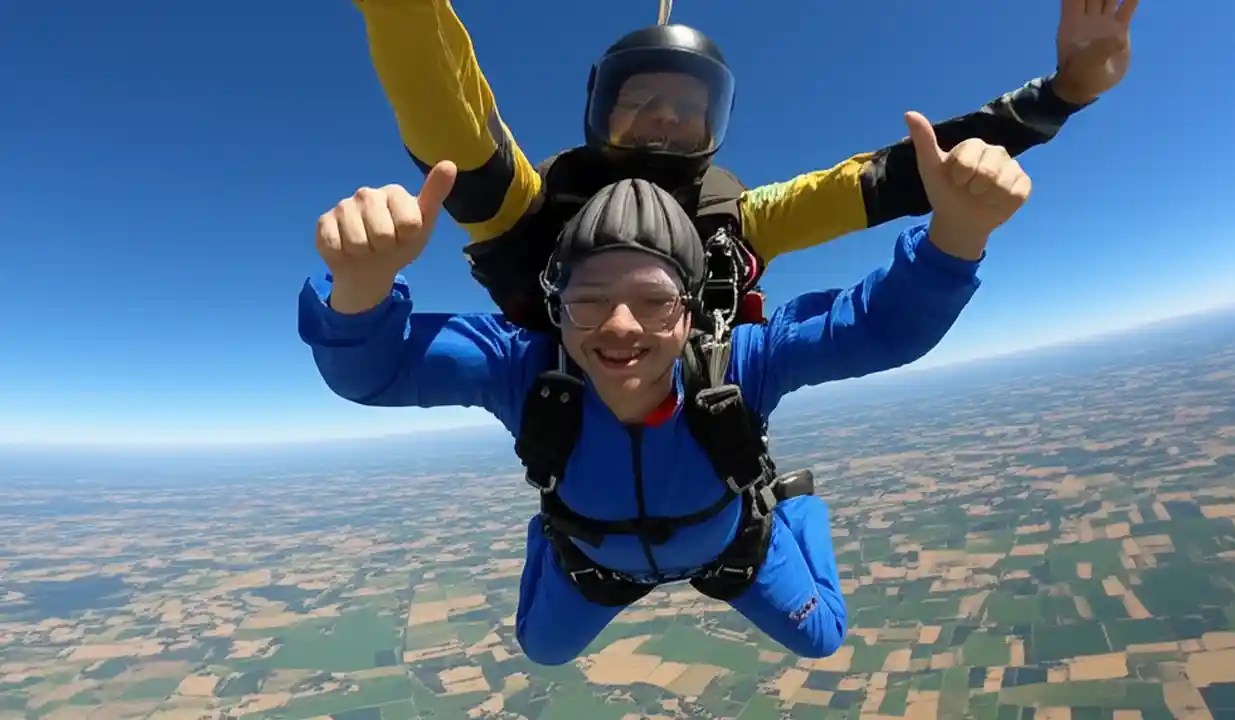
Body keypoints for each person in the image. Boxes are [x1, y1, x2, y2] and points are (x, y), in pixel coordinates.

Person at [297, 112, 1032, 663]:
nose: (620, 327)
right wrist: (360, 286)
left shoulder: (744, 361)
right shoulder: (525, 370)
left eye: (653, 299)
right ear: (557, 308)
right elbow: (378, 371)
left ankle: (797, 508)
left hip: (731, 545)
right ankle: (548, 539)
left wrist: (958, 234)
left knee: (824, 637)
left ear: (690, 312)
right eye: (589, 301)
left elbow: (878, 329)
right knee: (540, 648)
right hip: (593, 557)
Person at [352, 0, 1137, 329]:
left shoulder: (738, 217)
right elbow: (454, 128)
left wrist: (1058, 95)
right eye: (643, 101)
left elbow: (891, 177)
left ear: (714, 127)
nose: (665, 120)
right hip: (580, 493)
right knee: (553, 628)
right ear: (600, 108)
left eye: (687, 109)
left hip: (710, 467)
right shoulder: (532, 207)